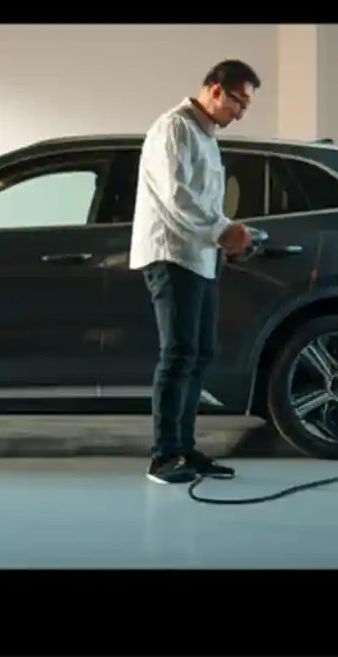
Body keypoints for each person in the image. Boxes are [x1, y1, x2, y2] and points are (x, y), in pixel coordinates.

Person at [129, 59, 261, 485]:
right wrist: (224, 231)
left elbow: (206, 202)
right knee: (178, 354)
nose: (239, 113)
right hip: (173, 256)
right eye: (238, 102)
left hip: (201, 258)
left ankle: (184, 449)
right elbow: (178, 198)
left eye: (246, 106)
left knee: (199, 353)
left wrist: (231, 235)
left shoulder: (207, 137)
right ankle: (163, 457)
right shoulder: (174, 129)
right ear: (215, 89)